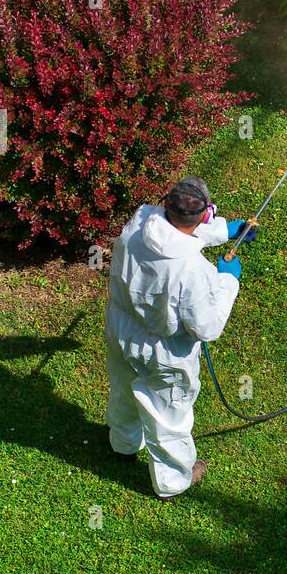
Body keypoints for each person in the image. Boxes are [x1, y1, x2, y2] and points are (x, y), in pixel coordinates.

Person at [104, 177, 254, 498]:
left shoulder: (140, 219)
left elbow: (174, 231)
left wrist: (225, 230)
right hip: (164, 351)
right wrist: (227, 281)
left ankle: (123, 445)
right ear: (204, 215)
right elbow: (207, 327)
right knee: (168, 415)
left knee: (124, 389)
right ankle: (172, 482)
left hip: (121, 327)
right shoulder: (193, 271)